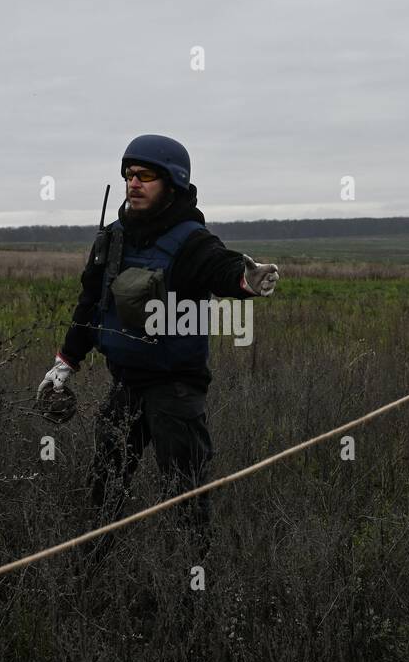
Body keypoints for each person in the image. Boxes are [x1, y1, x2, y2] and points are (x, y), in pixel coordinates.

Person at [37, 134, 281, 556]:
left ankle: (191, 589)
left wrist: (246, 280)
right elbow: (90, 304)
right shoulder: (112, 238)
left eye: (146, 175)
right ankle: (92, 579)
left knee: (184, 496)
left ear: (173, 182)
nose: (134, 183)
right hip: (125, 386)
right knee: (105, 488)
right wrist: (66, 361)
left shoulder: (191, 240)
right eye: (130, 175)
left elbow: (220, 267)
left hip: (176, 390)